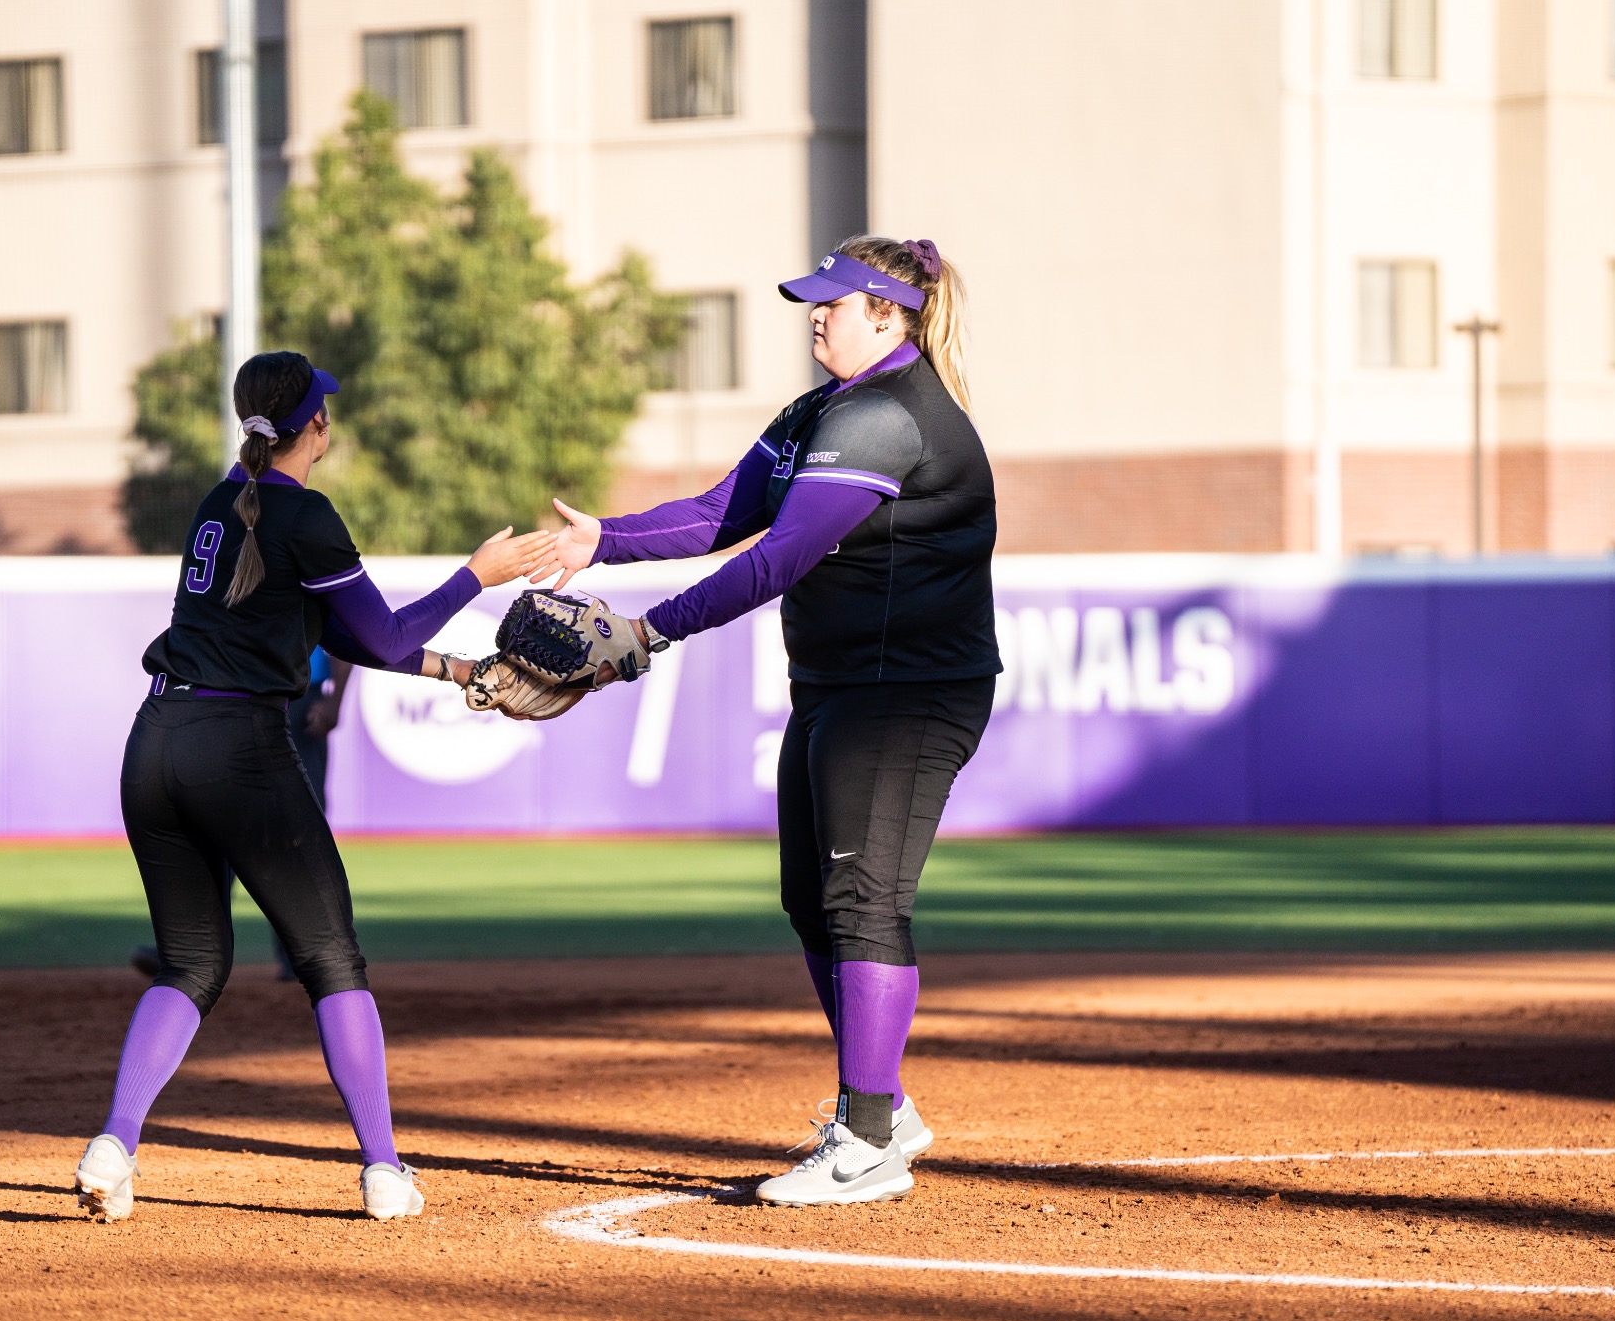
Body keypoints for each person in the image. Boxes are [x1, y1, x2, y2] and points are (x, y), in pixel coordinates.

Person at [531, 236, 999, 1206]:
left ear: (888, 314)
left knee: (862, 901)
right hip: (837, 686)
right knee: (809, 899)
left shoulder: (886, 416)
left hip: (904, 692)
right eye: (812, 302)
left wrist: (649, 629)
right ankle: (883, 1107)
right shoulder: (822, 412)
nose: (815, 315)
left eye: (833, 302)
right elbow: (718, 513)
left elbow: (776, 558)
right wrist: (603, 542)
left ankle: (866, 1137)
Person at [76, 350, 549, 1223]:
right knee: (332, 959)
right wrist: (477, 575)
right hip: (241, 752)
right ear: (317, 426)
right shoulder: (307, 515)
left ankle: (114, 1142)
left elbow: (370, 643)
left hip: (155, 745)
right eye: (324, 411)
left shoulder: (223, 501)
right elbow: (383, 627)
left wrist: (459, 671)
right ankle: (382, 1169)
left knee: (190, 962)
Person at [127, 645, 350, 983]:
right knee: (221, 816)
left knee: (298, 829)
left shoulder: (311, 590)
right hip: (239, 697)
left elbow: (346, 642)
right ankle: (186, 949)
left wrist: (334, 702)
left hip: (297, 698)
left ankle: (311, 955)